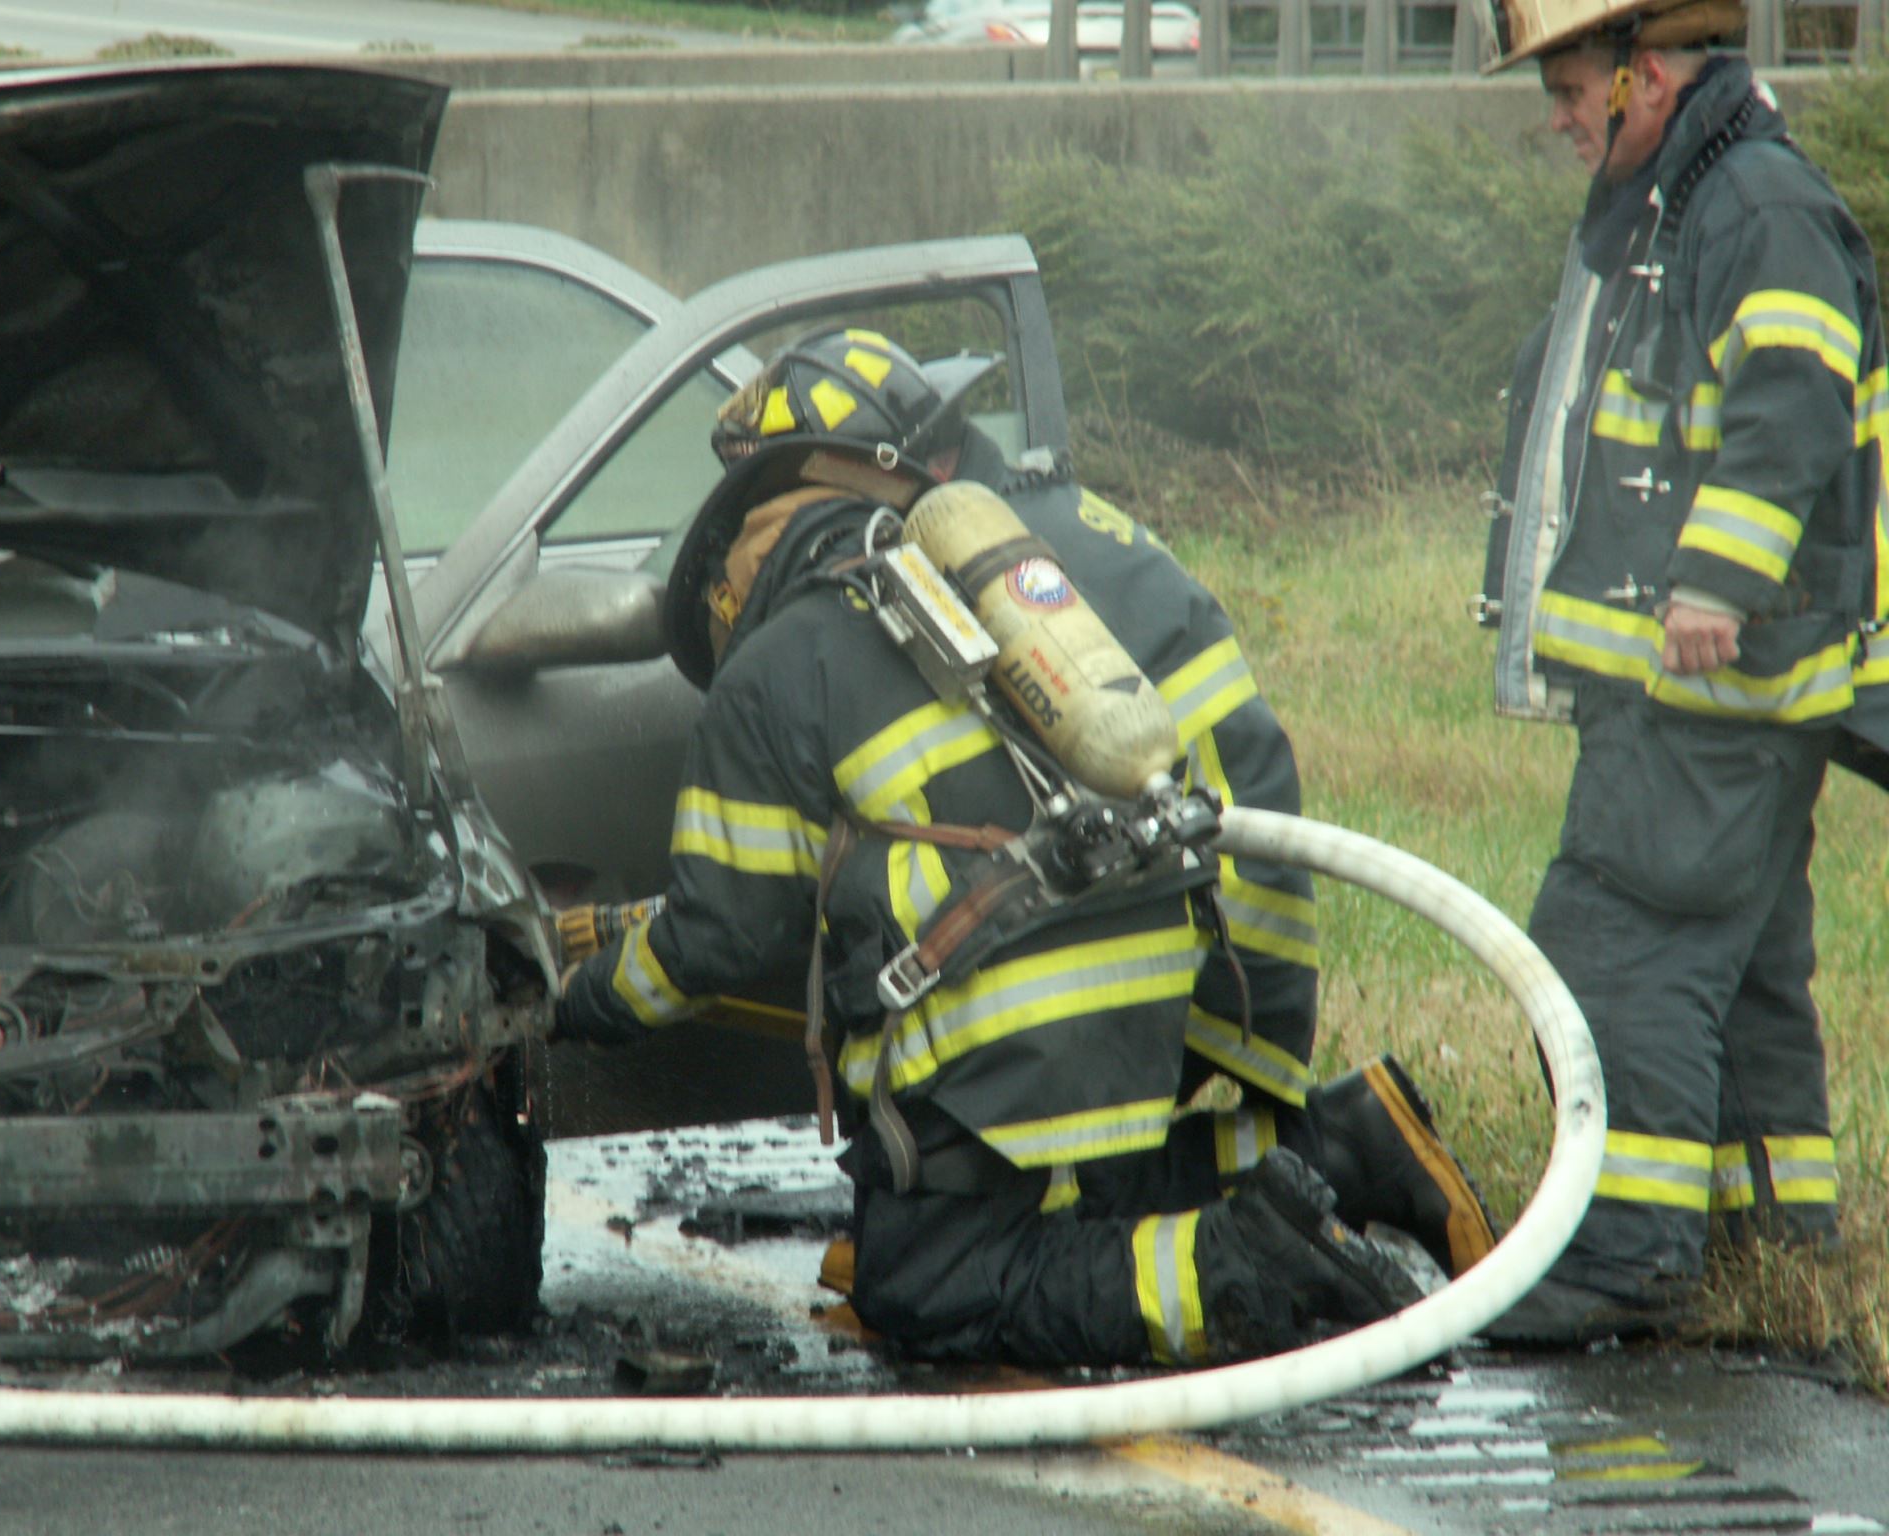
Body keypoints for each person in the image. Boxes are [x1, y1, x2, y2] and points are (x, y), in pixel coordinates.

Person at [553, 330, 1493, 1368]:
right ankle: (1335, 1145)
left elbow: (716, 944)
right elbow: (1236, 764)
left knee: (923, 1282)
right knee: (1018, 1209)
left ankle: (1244, 1271)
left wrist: (570, 1002)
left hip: (1021, 1040)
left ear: (743, 555)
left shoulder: (777, 667)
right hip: (1187, 970)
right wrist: (1250, 1027)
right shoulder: (1051, 566)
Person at [1474, 0, 1886, 1345]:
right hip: (1705, 700)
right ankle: (1772, 1234)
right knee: (1748, 962)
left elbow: (1793, 397)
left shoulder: (1751, 207)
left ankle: (1621, 1252)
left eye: (1572, 88)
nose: (1559, 118)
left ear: (1648, 77)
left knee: (1623, 940)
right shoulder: (1685, 197)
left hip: (1705, 693)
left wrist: (1714, 577)